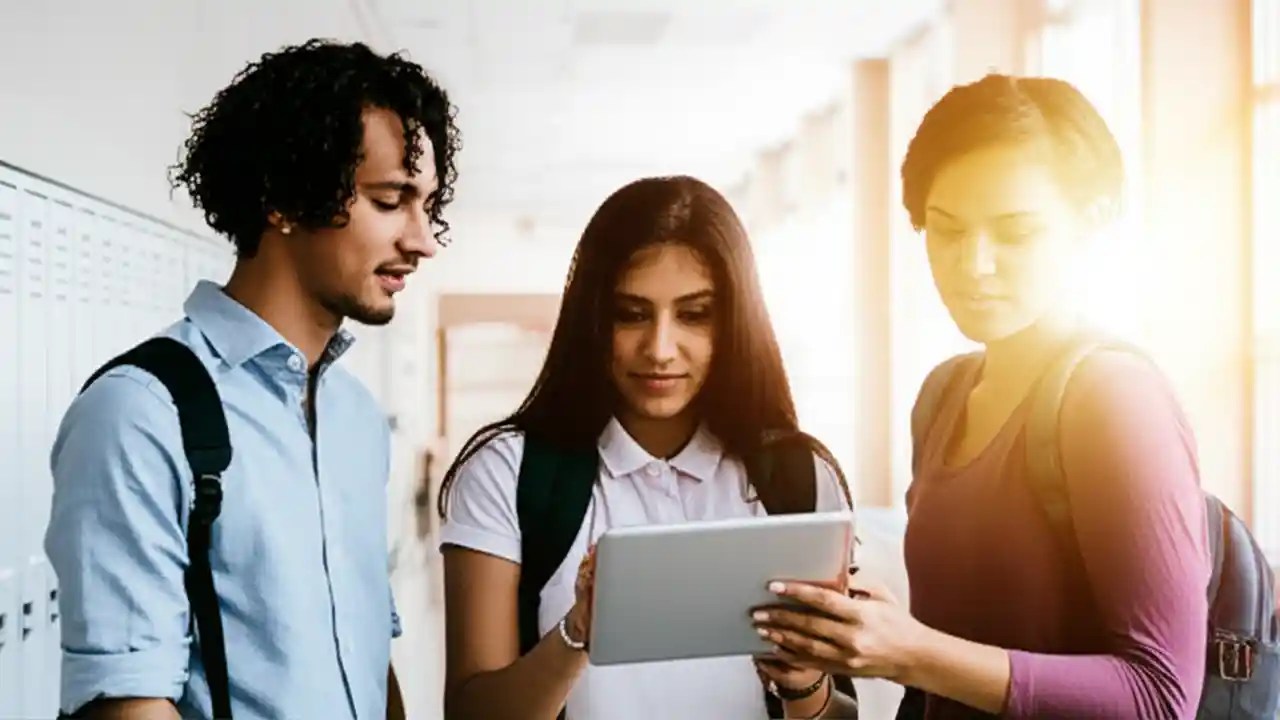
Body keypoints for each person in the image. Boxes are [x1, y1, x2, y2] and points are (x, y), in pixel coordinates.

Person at [751, 73, 1211, 718]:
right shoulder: (944, 395)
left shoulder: (1113, 398)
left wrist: (910, 651)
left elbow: (1161, 699)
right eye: (947, 230)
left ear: (1089, 224)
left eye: (1015, 233)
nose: (975, 264)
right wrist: (822, 665)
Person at [44, 39, 460, 719]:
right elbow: (127, 705)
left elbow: (364, 655)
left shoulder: (354, 416)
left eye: (427, 205)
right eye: (390, 200)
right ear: (283, 196)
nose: (423, 240)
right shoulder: (139, 414)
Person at [437, 175, 859, 719]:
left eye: (694, 314)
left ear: (734, 322)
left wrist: (803, 683)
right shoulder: (506, 472)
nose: (660, 349)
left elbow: (843, 709)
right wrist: (580, 632)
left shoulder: (799, 476)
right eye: (631, 314)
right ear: (594, 318)